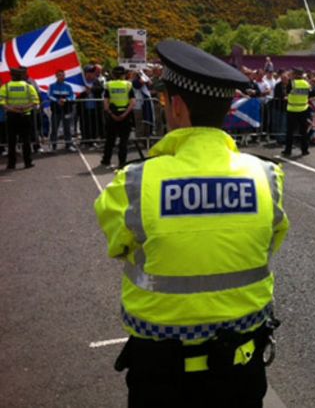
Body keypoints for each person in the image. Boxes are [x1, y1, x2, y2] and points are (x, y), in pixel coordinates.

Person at [94, 39, 289, 407]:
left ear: (178, 106)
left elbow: (118, 245)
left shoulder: (134, 182)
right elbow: (269, 243)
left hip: (162, 373)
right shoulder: (267, 176)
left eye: (165, 100)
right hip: (241, 367)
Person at [0, 67, 39, 169]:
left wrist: (13, 109)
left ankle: (11, 164)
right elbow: (35, 101)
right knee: (26, 140)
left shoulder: (6, 87)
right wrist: (25, 108)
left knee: (11, 141)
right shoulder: (28, 86)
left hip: (12, 116)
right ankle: (28, 162)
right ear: (21, 76)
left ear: (12, 76)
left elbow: (2, 102)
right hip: (25, 115)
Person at [101, 66, 136, 169]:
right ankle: (122, 162)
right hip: (125, 115)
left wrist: (112, 114)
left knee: (110, 139)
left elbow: (106, 103)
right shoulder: (128, 85)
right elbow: (133, 102)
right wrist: (124, 114)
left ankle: (106, 160)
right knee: (123, 141)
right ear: (124, 75)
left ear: (113, 74)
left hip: (112, 115)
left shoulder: (108, 85)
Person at [282, 68, 310, 157]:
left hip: (292, 109)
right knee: (303, 131)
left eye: (292, 73)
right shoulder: (306, 83)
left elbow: (286, 93)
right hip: (303, 109)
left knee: (290, 132)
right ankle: (305, 150)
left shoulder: (292, 83)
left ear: (295, 74)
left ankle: (288, 150)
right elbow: (307, 94)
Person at [48, 69, 77, 152]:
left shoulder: (68, 86)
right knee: (54, 128)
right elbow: (49, 95)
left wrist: (66, 100)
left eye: (62, 75)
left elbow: (73, 96)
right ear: (56, 76)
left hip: (66, 110)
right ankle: (53, 146)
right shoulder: (52, 86)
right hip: (56, 110)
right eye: (59, 75)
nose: (61, 77)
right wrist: (57, 101)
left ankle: (68, 145)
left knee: (67, 128)